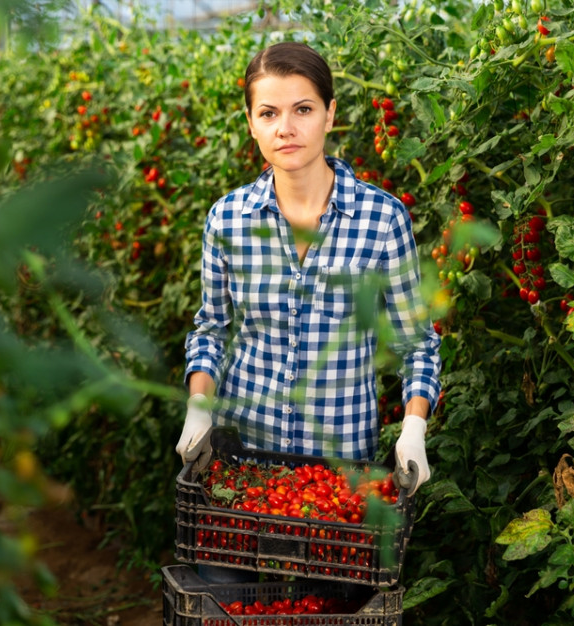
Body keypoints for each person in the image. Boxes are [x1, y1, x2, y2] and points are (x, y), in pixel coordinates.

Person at [177, 40, 440, 506]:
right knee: (228, 578)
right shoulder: (228, 219)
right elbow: (211, 330)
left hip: (340, 472)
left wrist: (413, 427)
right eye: (268, 113)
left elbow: (416, 343)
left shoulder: (382, 220)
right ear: (251, 124)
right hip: (241, 465)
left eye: (302, 109)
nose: (286, 129)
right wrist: (199, 409)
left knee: (327, 580)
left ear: (329, 114)